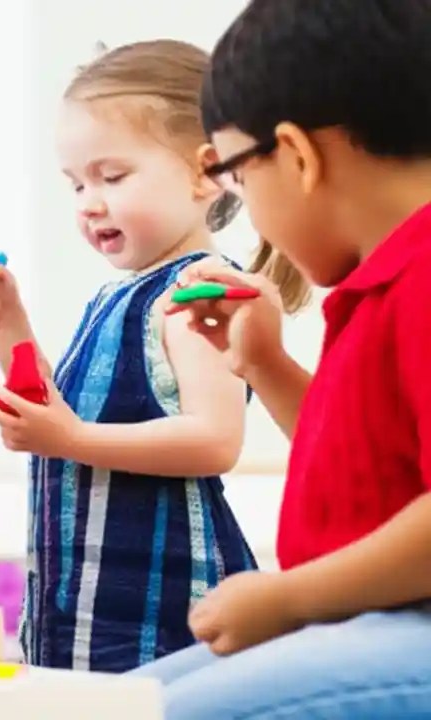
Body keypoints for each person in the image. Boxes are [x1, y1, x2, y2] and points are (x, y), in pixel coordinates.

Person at [131, 2, 431, 717]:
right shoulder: (384, 284)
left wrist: (291, 597)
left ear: (296, 154)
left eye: (233, 173)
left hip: (404, 626)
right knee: (106, 705)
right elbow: (367, 474)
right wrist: (264, 364)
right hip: (377, 621)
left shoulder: (421, 277)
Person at [0, 39, 308, 673]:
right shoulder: (116, 295)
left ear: (205, 173)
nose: (88, 202)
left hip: (163, 616)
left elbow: (214, 440)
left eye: (112, 176)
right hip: (83, 607)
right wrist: (9, 322)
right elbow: (58, 413)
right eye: (75, 184)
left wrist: (70, 438)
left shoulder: (194, 289)